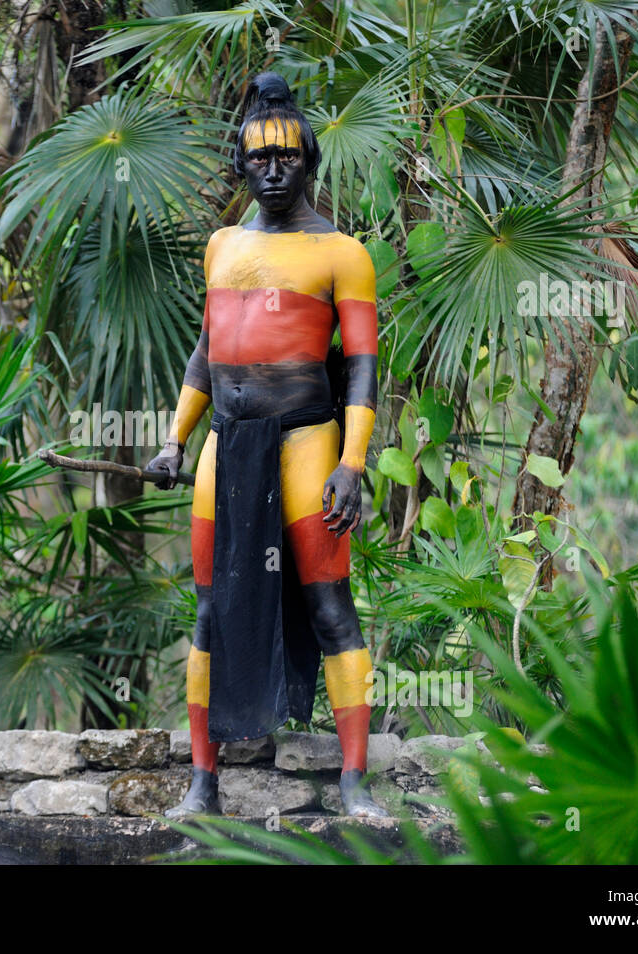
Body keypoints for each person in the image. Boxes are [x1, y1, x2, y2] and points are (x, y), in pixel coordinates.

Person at [146, 72, 388, 818]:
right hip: (227, 446)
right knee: (210, 613)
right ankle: (203, 783)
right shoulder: (222, 246)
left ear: (308, 161)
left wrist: (352, 463)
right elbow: (205, 351)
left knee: (329, 606)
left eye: (286, 157)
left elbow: (361, 368)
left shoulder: (343, 253)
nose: (273, 169)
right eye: (259, 158)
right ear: (243, 165)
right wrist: (173, 440)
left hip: (307, 443)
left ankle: (352, 784)